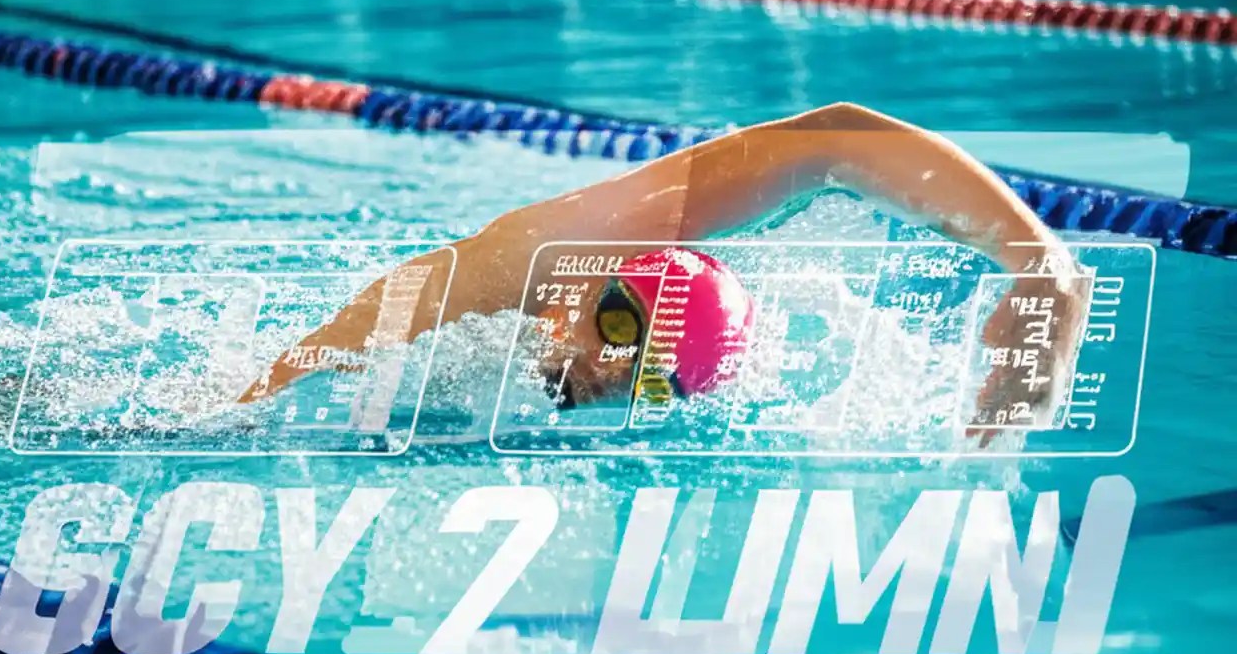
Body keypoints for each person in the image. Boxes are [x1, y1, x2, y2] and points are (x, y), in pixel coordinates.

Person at [238, 102, 1090, 446]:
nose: (609, 369)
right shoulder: (512, 270)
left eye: (649, 376)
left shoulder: (591, 349)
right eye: (617, 329)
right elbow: (836, 137)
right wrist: (1040, 267)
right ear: (594, 288)